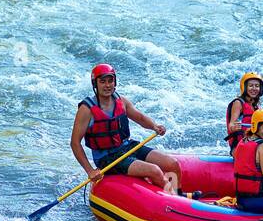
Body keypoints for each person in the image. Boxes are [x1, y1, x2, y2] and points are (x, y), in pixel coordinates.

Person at [71, 63, 181, 194]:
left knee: (172, 164)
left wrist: (154, 126)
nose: (107, 85)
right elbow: (75, 143)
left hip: (127, 147)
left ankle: (177, 194)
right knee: (154, 170)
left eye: (110, 81)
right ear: (95, 84)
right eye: (102, 82)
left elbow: (140, 117)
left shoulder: (121, 101)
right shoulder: (86, 110)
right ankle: (175, 202)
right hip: (107, 158)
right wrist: (90, 170)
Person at [225, 71, 263, 155]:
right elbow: (231, 125)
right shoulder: (238, 103)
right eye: (251, 86)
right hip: (239, 147)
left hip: (254, 144)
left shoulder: (256, 107)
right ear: (245, 87)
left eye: (257, 86)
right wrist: (235, 126)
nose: (254, 88)